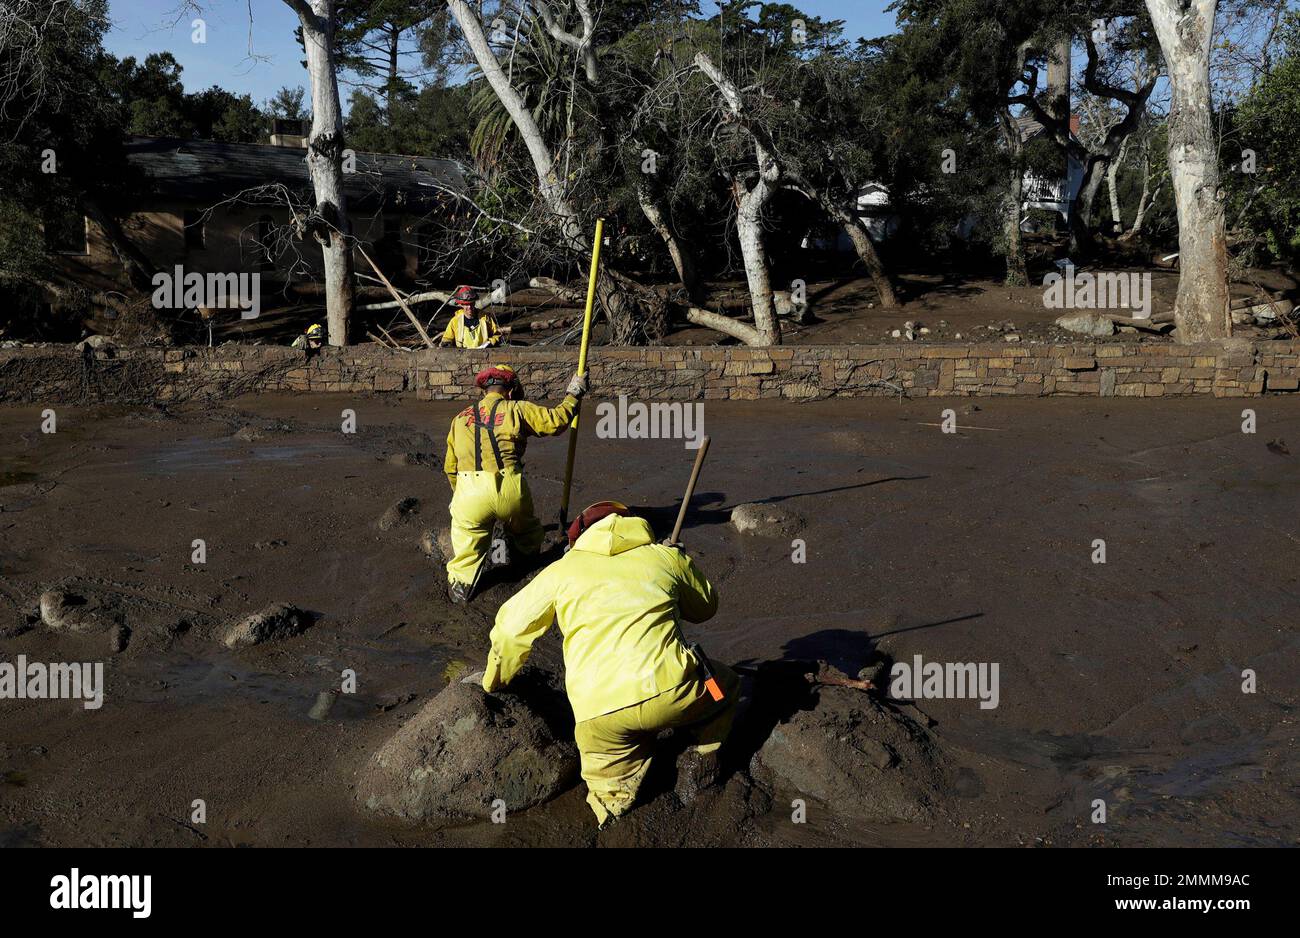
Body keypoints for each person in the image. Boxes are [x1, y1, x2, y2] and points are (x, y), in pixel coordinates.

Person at [481, 501, 739, 826]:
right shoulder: (663, 556)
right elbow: (705, 607)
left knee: (608, 799)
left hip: (596, 715)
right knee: (726, 687)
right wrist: (679, 561)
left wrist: (493, 682)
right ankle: (701, 757)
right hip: (674, 692)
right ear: (635, 526)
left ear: (578, 538)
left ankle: (612, 816)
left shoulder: (562, 571)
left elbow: (509, 628)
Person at [443, 363, 587, 603]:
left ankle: (461, 591)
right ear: (510, 391)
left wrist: (460, 494)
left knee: (466, 552)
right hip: (509, 485)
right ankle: (525, 572)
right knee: (527, 533)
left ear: (485, 391)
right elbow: (556, 421)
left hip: (468, 490)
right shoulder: (517, 409)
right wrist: (574, 394)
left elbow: (450, 467)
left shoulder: (459, 419)